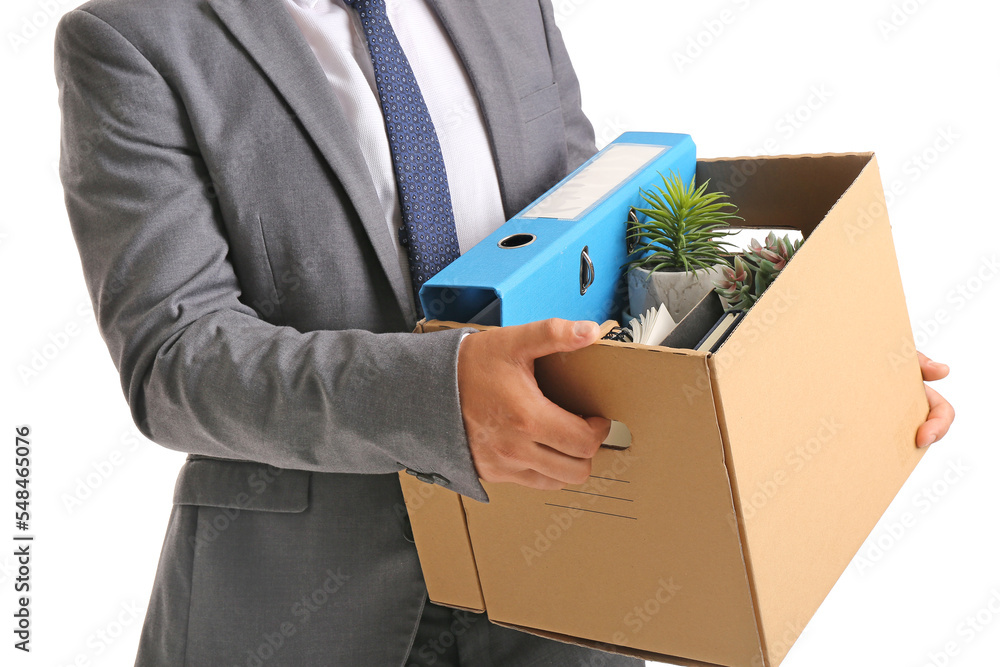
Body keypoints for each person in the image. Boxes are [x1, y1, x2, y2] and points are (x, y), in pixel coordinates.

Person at [53, 0, 955, 664]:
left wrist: (806, 353)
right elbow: (175, 361)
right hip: (303, 605)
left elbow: (600, 239)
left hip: (572, 566)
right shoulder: (133, 38)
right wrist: (439, 392)